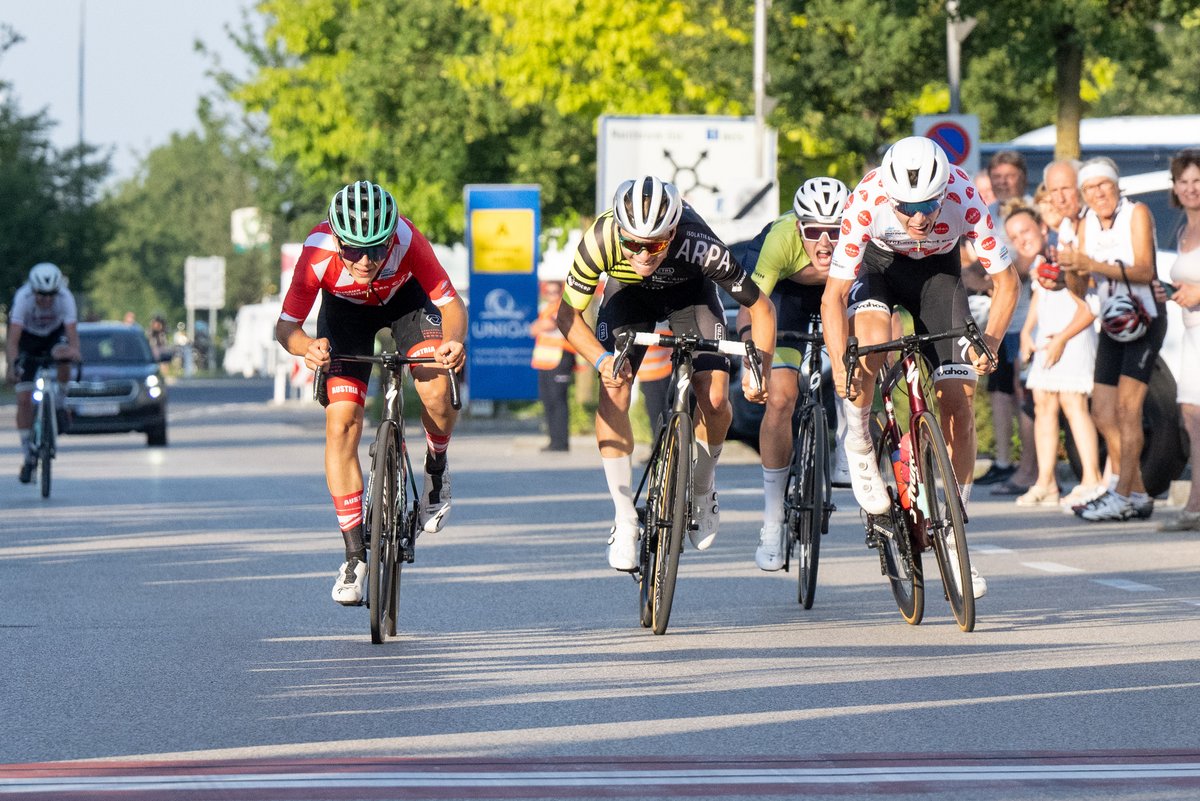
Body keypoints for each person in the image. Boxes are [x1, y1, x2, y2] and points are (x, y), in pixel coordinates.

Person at [822, 136, 1019, 600]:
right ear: (889, 195)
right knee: (869, 344)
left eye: (928, 205)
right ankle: (858, 438)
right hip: (878, 270)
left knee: (959, 402)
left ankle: (953, 535)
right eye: (906, 207)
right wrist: (837, 364)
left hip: (938, 277)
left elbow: (1006, 282)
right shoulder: (867, 200)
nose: (917, 217)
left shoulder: (966, 194)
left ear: (944, 190)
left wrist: (989, 340)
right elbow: (833, 296)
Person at [556, 175, 775, 572]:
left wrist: (761, 370)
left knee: (714, 398)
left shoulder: (701, 245)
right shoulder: (601, 240)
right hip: (628, 296)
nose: (642, 254)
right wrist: (601, 362)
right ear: (619, 231)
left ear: (672, 233)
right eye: (633, 243)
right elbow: (567, 315)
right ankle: (624, 519)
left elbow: (762, 308)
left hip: (690, 296)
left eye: (654, 244)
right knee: (616, 385)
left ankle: (703, 486)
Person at [276, 180, 467, 604]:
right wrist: (307, 348)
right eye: (354, 251)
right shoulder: (317, 253)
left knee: (436, 389)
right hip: (345, 316)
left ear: (390, 239)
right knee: (342, 423)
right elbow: (286, 327)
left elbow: (452, 306)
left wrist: (452, 342)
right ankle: (354, 556)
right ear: (338, 241)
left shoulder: (408, 239)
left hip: (408, 304)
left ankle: (436, 467)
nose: (365, 261)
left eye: (377, 250)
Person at [732, 176, 854, 572]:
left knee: (854, 369)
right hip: (783, 301)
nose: (825, 242)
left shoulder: (862, 237)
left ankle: (848, 446)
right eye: (813, 231)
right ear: (798, 226)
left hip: (843, 295)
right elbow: (750, 309)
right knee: (781, 398)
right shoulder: (780, 238)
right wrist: (755, 366)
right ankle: (772, 521)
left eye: (835, 231)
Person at [1059, 158, 1164, 522]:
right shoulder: (1085, 221)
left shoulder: (1136, 212)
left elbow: (1145, 270)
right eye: (1091, 188)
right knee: (1102, 412)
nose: (1099, 193)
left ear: (1116, 186)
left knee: (1128, 410)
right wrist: (1068, 270)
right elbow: (1081, 285)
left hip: (1144, 318)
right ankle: (1136, 491)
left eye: (1104, 185)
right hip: (1111, 322)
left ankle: (1120, 493)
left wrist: (1090, 264)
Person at [1009, 206, 1104, 509]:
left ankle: (1092, 479)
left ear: (1041, 227)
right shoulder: (1040, 260)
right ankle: (1046, 481)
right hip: (1046, 336)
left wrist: (1064, 336)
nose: (1020, 239)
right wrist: (1026, 332)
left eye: (1025, 230)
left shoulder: (1064, 249)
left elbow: (1084, 295)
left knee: (1073, 403)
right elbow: (1039, 295)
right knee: (1043, 403)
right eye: (1013, 236)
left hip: (1073, 331)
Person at [977, 151, 1036, 493]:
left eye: (1009, 176)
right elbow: (971, 263)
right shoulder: (987, 214)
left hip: (1027, 317)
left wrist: (989, 278)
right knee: (999, 391)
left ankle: (1031, 467)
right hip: (999, 319)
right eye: (996, 177)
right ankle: (1003, 462)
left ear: (1022, 177)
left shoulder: (1030, 212)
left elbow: (1025, 265)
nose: (1002, 182)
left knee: (1023, 392)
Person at [5, 263, 81, 483]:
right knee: (23, 398)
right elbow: (13, 340)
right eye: (41, 295)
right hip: (28, 339)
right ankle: (28, 454)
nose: (47, 300)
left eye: (51, 295)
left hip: (54, 336)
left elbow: (72, 334)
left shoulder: (66, 298)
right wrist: (12, 366)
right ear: (33, 290)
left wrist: (74, 352)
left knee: (63, 354)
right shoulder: (22, 299)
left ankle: (59, 402)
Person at [1159, 149, 1200, 531]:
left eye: (1197, 181)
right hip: (1190, 332)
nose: (1190, 189)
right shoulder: (1183, 228)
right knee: (1191, 417)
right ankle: (1195, 505)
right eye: (1183, 181)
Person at [529, 280, 575, 452]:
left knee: (558, 401)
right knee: (548, 402)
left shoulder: (562, 308)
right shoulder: (546, 309)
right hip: (545, 362)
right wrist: (540, 326)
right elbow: (533, 330)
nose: (552, 295)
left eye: (555, 292)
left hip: (561, 359)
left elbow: (548, 325)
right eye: (549, 292)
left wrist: (540, 326)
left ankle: (561, 442)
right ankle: (554, 440)